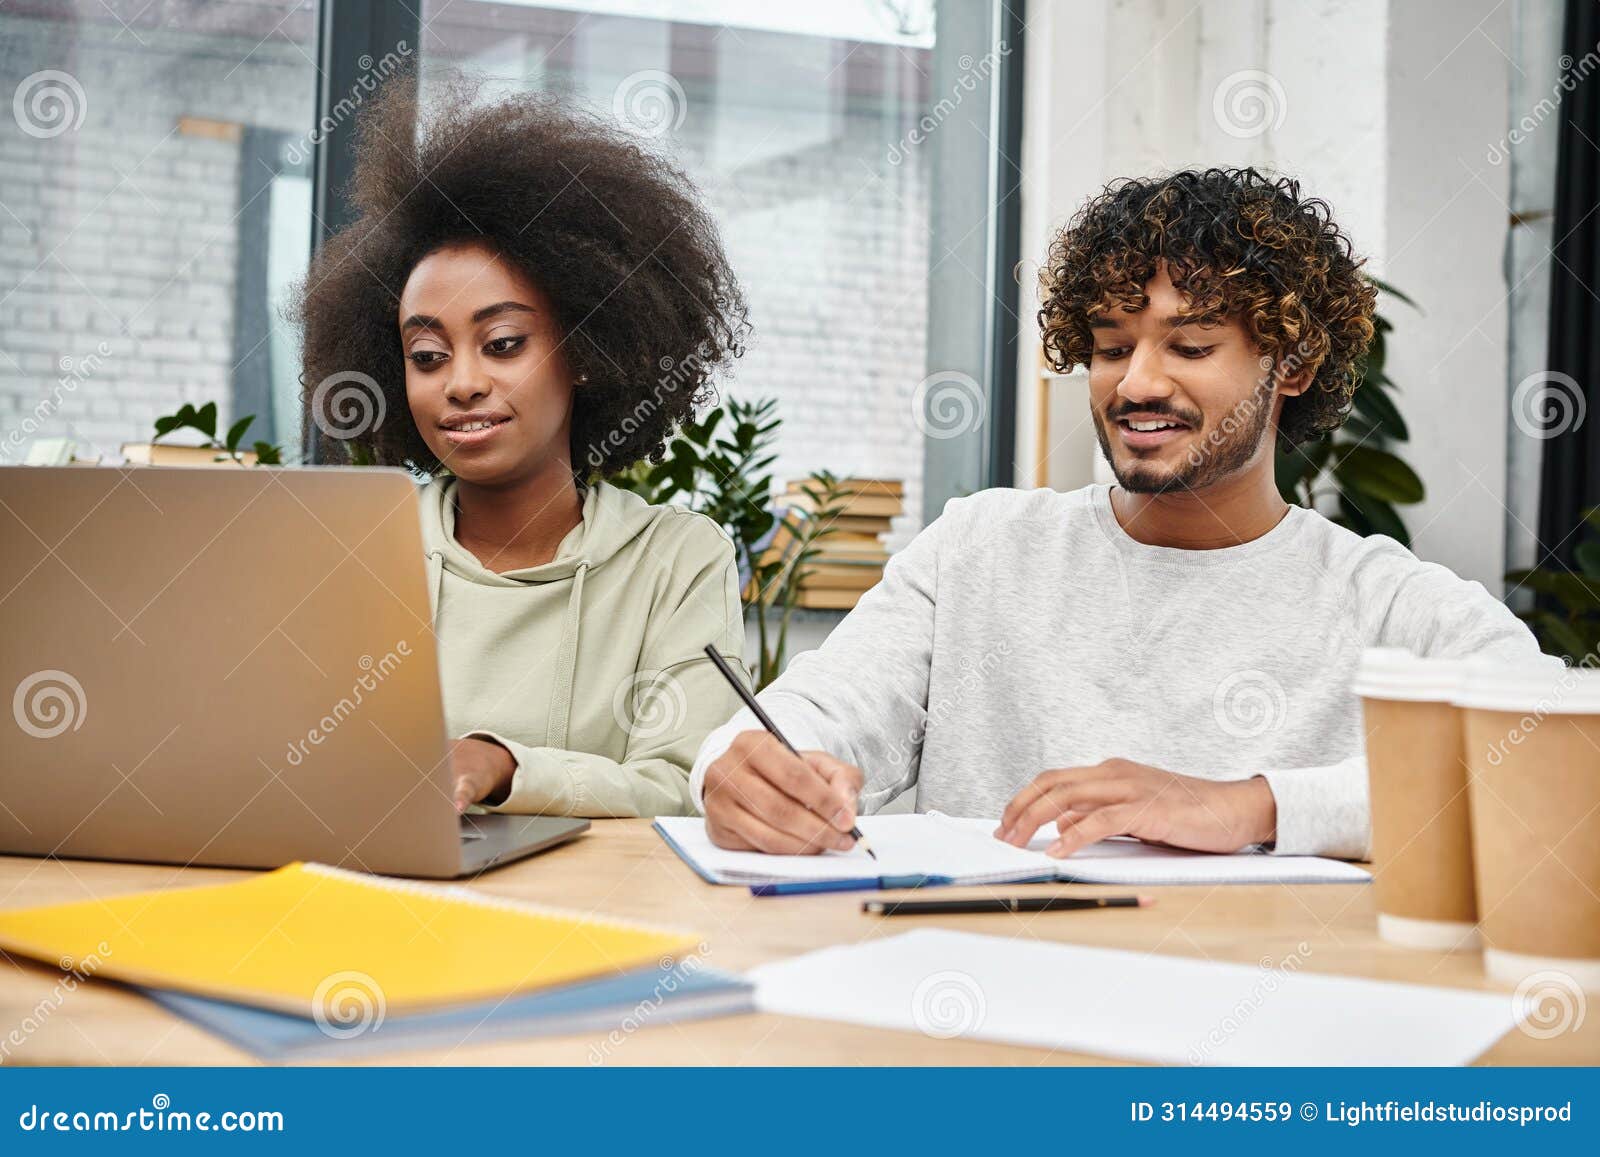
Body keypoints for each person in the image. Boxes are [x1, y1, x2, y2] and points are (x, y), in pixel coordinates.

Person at [693, 167, 1555, 861]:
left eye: (1190, 346)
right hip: (989, 1010)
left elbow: (1553, 763)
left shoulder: (1388, 601)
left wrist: (1250, 806)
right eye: (1110, 347)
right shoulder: (980, 549)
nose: (1136, 382)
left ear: (1288, 369)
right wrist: (738, 774)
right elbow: (811, 712)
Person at [294, 77, 751, 818]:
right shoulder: (363, 548)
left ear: (585, 349)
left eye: (502, 344)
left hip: (591, 923)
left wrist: (507, 768)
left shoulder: (674, 560)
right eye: (428, 355)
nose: (462, 383)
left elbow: (682, 790)